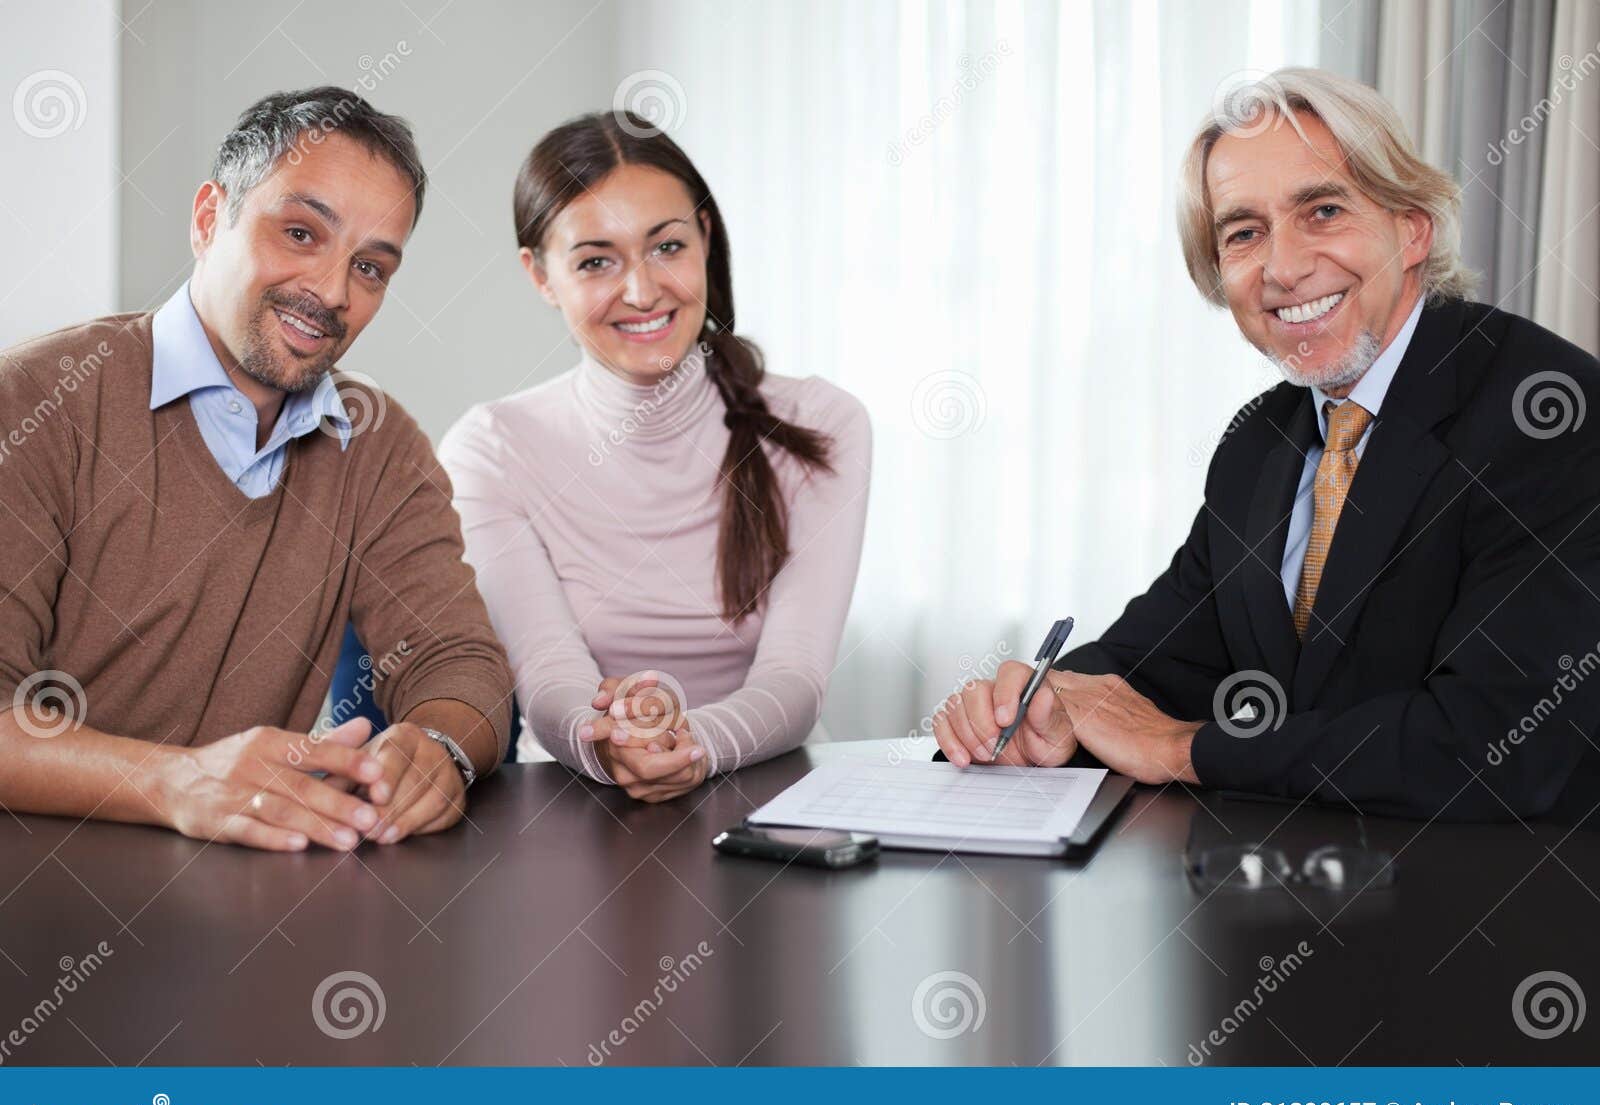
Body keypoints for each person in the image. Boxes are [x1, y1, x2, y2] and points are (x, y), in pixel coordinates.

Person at [933, 67, 1600, 823]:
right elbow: (1155, 663)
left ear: (1412, 228)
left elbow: (1491, 743)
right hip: (1282, 895)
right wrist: (1046, 704)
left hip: (1500, 913)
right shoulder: (1261, 438)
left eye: (1322, 210)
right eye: (1245, 232)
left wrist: (1185, 748)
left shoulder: (1550, 413)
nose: (1283, 268)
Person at [0, 88, 513, 850]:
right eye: (301, 232)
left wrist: (435, 748)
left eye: (370, 268)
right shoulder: (37, 401)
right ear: (210, 217)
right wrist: (176, 781)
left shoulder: (379, 444)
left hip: (226, 908)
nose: (333, 292)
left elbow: (460, 661)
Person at [436, 111, 871, 804]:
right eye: (596, 261)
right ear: (541, 275)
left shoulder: (821, 424)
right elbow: (550, 675)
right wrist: (609, 742)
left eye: (666, 246)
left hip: (756, 805)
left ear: (704, 236)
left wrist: (693, 744)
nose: (641, 291)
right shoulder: (490, 448)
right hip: (575, 805)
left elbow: (795, 679)